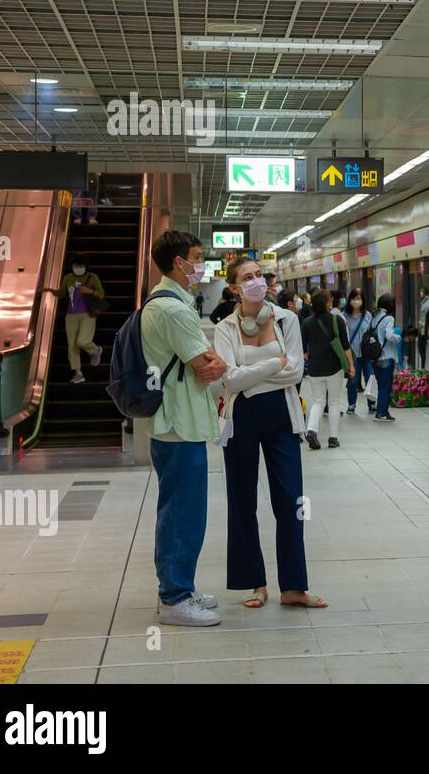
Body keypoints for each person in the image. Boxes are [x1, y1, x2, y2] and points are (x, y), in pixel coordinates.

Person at [213, 257, 326, 611]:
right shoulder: (225, 328)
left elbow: (294, 373)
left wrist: (252, 371)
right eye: (248, 277)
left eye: (260, 275)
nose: (258, 281)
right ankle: (255, 583)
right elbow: (228, 379)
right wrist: (271, 365)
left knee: (291, 501)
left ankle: (293, 586)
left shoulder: (287, 319)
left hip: (281, 416)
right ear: (234, 287)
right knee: (242, 500)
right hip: (241, 417)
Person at [143, 230, 228, 626]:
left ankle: (181, 586)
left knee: (179, 507)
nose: (201, 264)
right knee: (183, 512)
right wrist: (217, 362)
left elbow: (209, 360)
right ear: (179, 262)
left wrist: (214, 361)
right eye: (197, 257)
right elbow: (207, 364)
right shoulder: (174, 310)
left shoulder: (167, 302)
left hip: (177, 421)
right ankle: (174, 598)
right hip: (180, 423)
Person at [300, 290, 352, 450]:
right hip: (334, 368)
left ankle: (312, 430)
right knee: (334, 402)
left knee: (318, 401)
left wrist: (311, 358)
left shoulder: (307, 322)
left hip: (315, 369)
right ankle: (333, 438)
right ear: (328, 303)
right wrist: (351, 366)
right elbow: (345, 347)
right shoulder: (337, 320)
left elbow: (303, 349)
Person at [42, 253, 105, 384]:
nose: (78, 268)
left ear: (86, 266)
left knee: (82, 341)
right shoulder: (68, 278)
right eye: (75, 266)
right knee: (72, 344)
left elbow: (101, 294)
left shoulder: (92, 278)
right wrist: (50, 290)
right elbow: (63, 293)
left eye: (80, 266)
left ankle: (95, 350)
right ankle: (78, 373)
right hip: (70, 315)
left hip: (87, 314)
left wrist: (90, 291)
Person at [369, 294, 400, 422]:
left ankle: (384, 411)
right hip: (386, 356)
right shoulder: (389, 318)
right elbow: (389, 335)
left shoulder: (374, 317)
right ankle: (381, 413)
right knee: (385, 386)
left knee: (381, 384)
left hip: (375, 356)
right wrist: (397, 337)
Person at [343, 288, 374, 416]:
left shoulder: (368, 315)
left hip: (366, 354)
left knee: (370, 378)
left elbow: (372, 333)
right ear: (350, 300)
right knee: (353, 381)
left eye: (359, 298)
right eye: (354, 298)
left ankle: (372, 403)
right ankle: (351, 404)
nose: (357, 301)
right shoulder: (344, 316)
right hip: (353, 355)